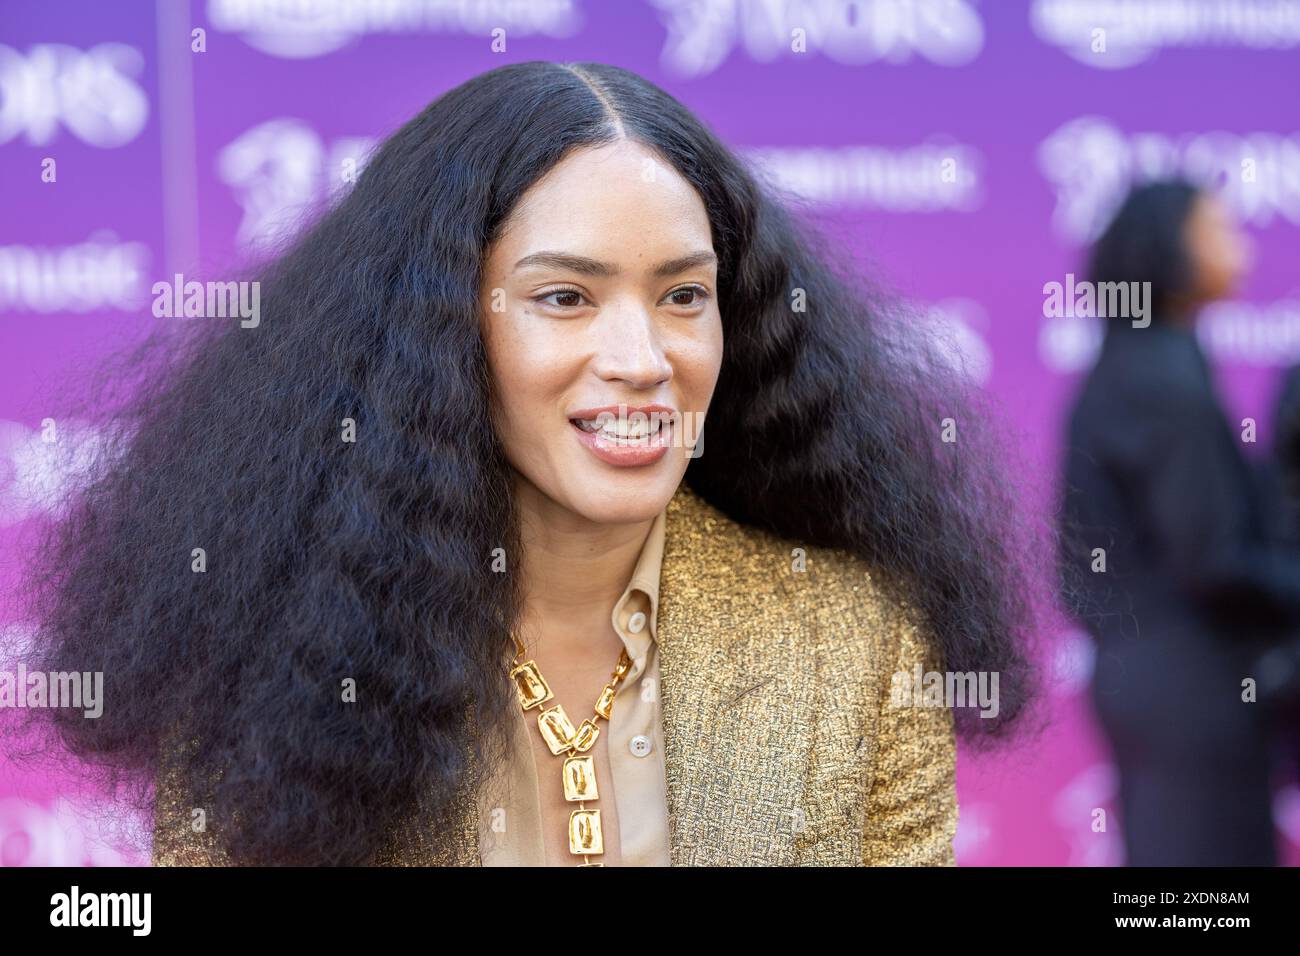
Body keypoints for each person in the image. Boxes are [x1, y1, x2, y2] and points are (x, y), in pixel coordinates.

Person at [17, 61, 1040, 866]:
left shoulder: (852, 644)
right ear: (440, 331)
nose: (643, 360)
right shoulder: (275, 652)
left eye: (683, 295)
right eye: (566, 298)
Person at [1059, 178, 1300, 865]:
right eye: (1219, 229)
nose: (1242, 247)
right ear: (1169, 249)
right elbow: (1214, 558)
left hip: (1156, 680)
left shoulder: (1135, 364)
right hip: (1191, 688)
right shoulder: (1162, 378)